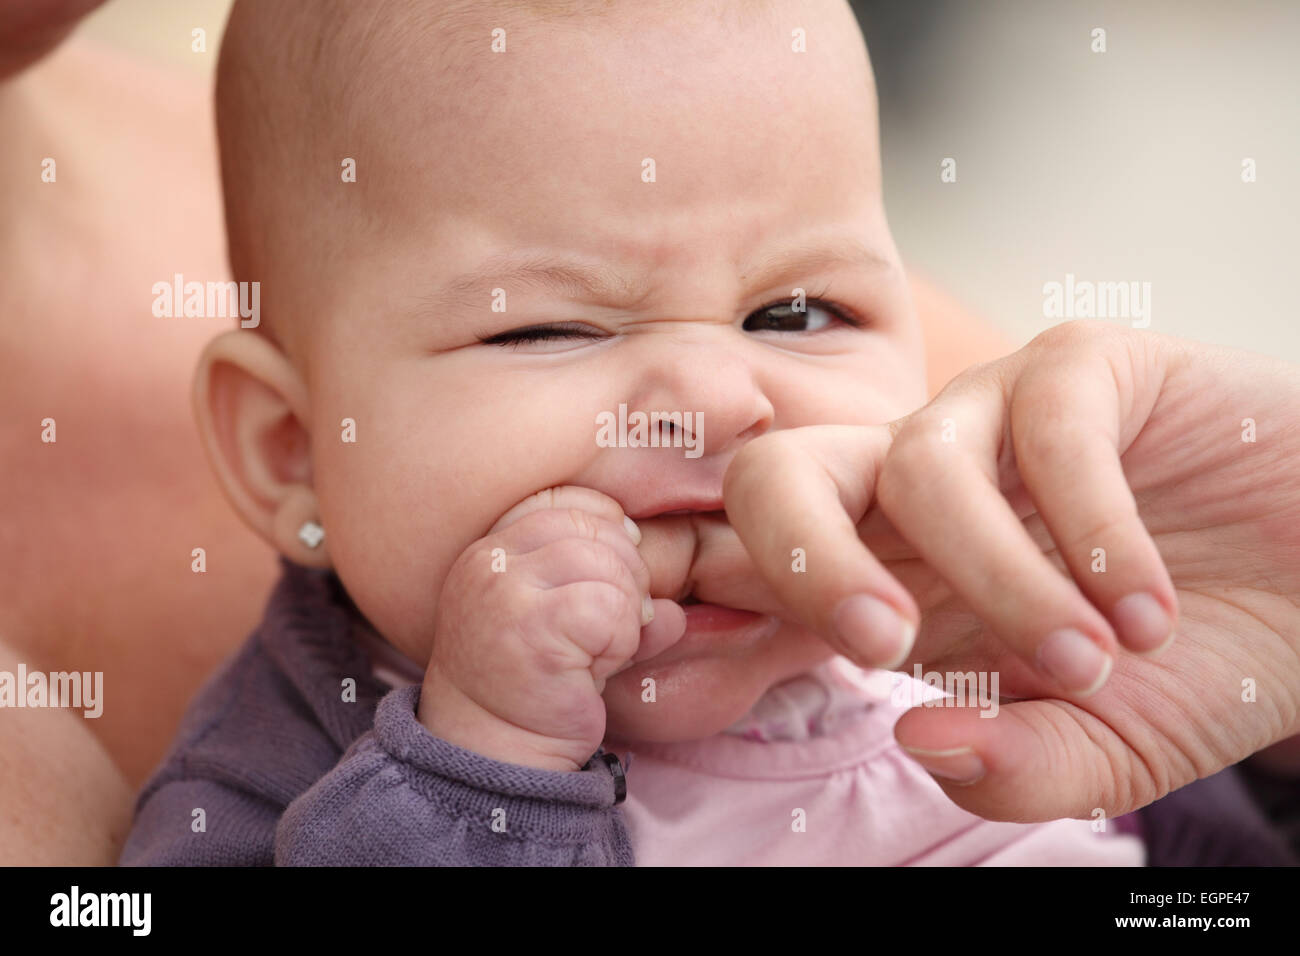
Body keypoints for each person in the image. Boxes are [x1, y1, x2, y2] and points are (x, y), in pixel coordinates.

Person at [116, 0, 1294, 866]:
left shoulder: (980, 640)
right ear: (291, 447)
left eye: (798, 311)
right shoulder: (273, 774)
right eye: (547, 328)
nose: (718, 400)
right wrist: (489, 762)